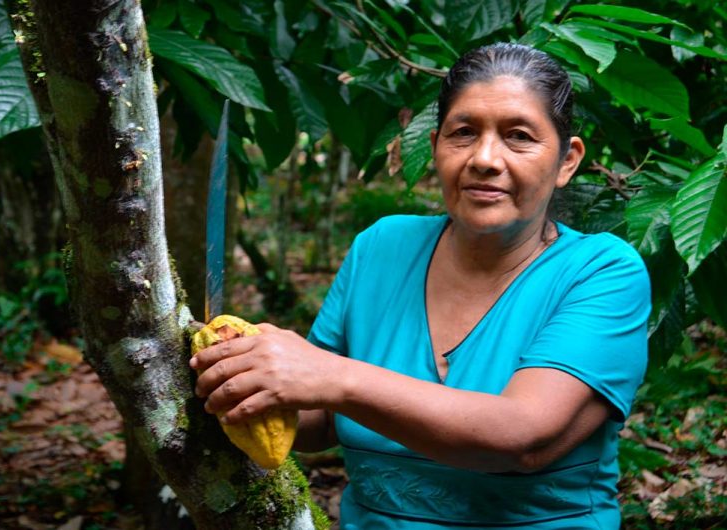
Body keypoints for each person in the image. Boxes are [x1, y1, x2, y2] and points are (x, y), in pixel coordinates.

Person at [190, 42, 650, 529]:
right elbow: (319, 420)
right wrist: (243, 378)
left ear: (566, 161)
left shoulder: (601, 271)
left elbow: (523, 438)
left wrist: (332, 375)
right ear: (435, 147)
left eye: (518, 136)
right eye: (463, 133)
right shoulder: (382, 247)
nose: (485, 159)